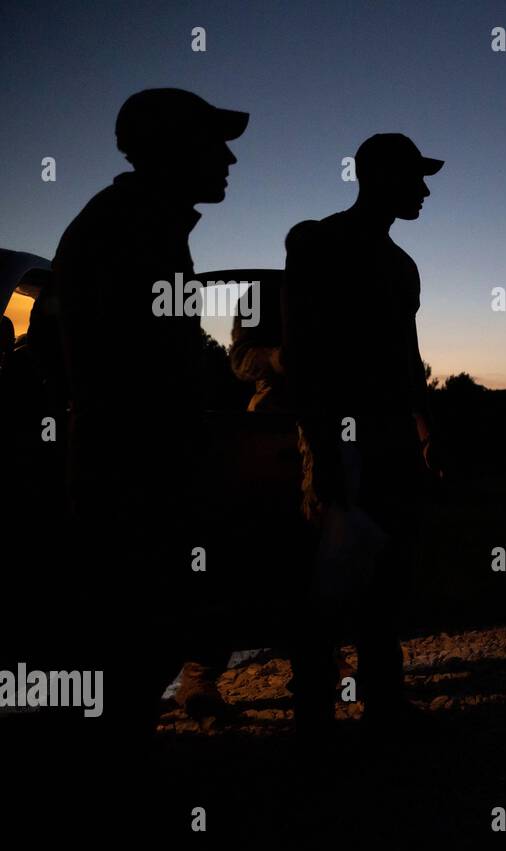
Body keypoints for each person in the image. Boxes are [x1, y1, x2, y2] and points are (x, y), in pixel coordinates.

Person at [47, 88, 248, 738]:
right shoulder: (128, 230)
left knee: (133, 654)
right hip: (133, 480)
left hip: (137, 474)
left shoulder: (145, 225)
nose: (229, 159)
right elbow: (131, 377)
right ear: (172, 147)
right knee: (124, 657)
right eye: (215, 143)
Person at [282, 132, 441, 731]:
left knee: (390, 569)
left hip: (392, 436)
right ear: (376, 177)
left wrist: (424, 429)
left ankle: (384, 700)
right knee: (329, 572)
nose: (425, 190)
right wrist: (321, 448)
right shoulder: (319, 242)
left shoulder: (402, 265)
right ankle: (313, 713)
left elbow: (408, 355)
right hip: (338, 436)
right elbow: (303, 355)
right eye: (414, 178)